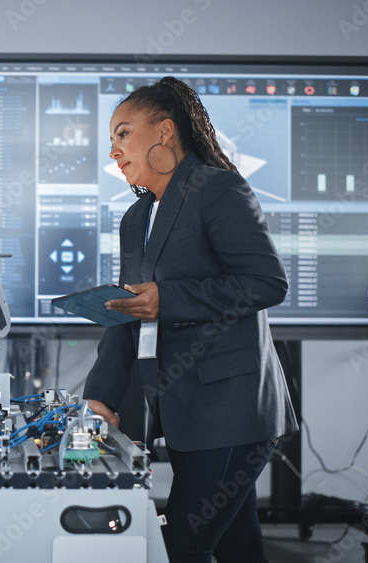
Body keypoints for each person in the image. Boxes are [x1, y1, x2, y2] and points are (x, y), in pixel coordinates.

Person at [83, 76, 299, 563]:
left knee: (181, 548)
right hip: (183, 414)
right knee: (239, 550)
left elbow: (266, 282)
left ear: (164, 130)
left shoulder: (218, 189)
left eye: (123, 134)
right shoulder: (136, 218)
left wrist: (168, 299)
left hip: (231, 412)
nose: (114, 150)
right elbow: (129, 312)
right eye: (111, 140)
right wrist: (100, 394)